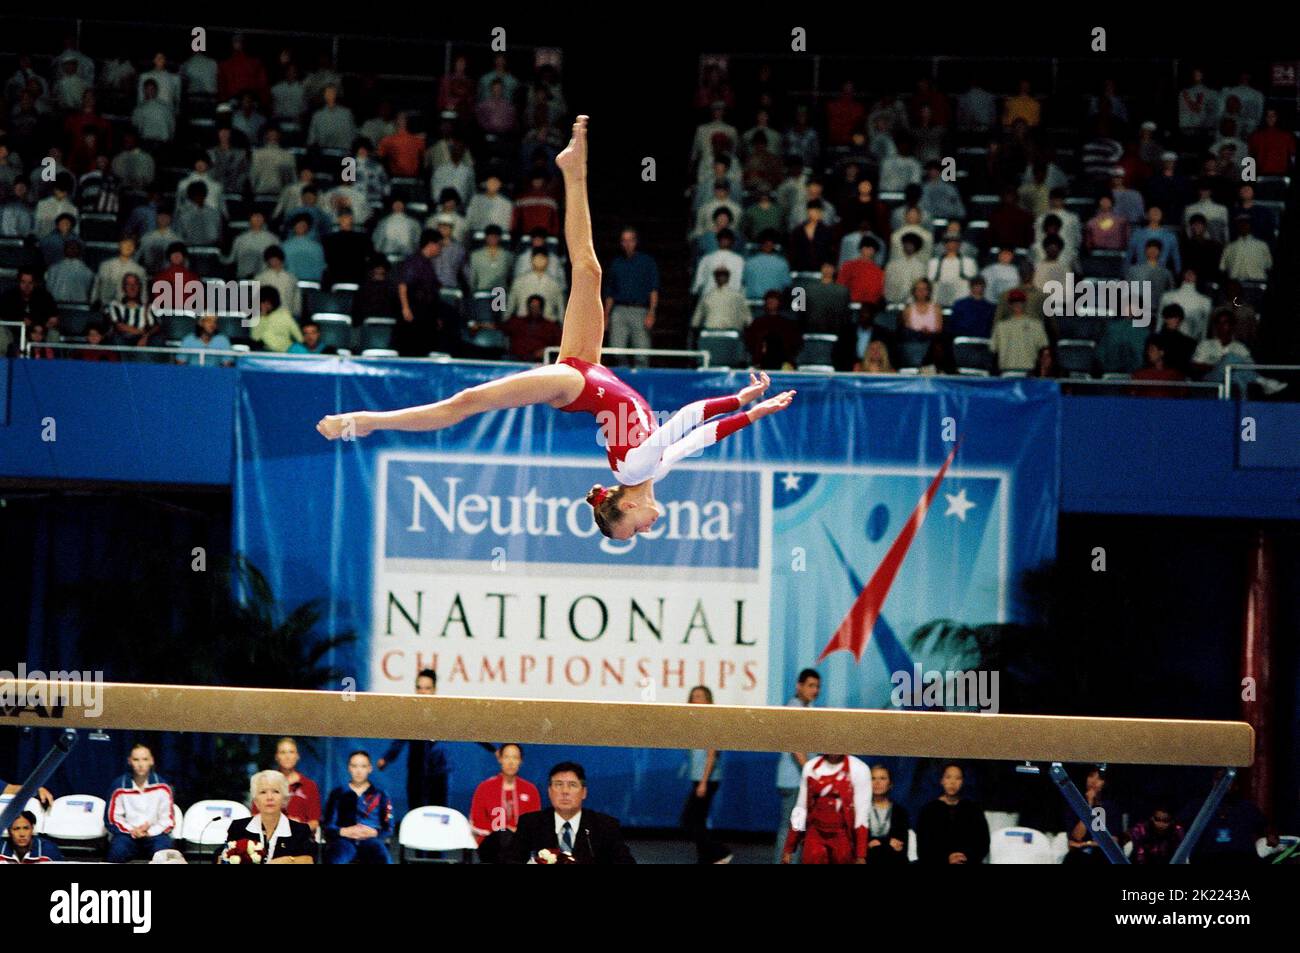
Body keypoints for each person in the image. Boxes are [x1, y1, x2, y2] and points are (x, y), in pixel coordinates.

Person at [318, 117, 795, 541]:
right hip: (587, 371)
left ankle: (361, 422)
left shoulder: (639, 467)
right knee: (588, 269)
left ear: (625, 506)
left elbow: (690, 415)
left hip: (575, 384)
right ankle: (573, 169)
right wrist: (757, 410)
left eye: (631, 531)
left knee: (466, 404)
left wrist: (739, 399)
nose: (647, 530)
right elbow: (704, 437)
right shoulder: (655, 470)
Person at [503, 761, 636, 864]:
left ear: (584, 792)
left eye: (572, 785)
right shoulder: (531, 823)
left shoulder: (605, 826)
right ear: (549, 791)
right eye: (559, 784)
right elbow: (511, 860)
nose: (565, 791)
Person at [374, 669, 450, 811]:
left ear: (434, 689)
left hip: (438, 771)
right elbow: (400, 739)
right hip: (416, 772)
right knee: (416, 810)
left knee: (439, 811)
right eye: (419, 688)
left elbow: (469, 729)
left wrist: (492, 749)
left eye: (427, 688)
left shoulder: (444, 711)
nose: (422, 692)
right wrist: (387, 758)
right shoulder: (410, 713)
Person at [781, 753, 870, 864]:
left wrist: (861, 855)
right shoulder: (810, 767)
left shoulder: (859, 769)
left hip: (843, 837)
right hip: (815, 835)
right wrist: (789, 848)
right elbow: (801, 808)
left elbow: (862, 815)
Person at [680, 686, 732, 864]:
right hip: (698, 778)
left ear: (708, 700)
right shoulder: (695, 723)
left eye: (699, 696)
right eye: (693, 696)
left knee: (688, 820)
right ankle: (705, 858)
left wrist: (703, 782)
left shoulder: (710, 722)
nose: (695, 700)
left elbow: (711, 754)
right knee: (698, 820)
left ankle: (721, 851)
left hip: (707, 780)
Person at [775, 668, 820, 862]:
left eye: (817, 686)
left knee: (796, 827)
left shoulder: (806, 707)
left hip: (799, 779)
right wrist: (810, 772)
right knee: (791, 827)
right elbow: (795, 746)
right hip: (794, 780)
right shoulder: (795, 707)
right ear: (799, 686)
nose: (815, 690)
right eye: (810, 685)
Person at [223, 770, 314, 863]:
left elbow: (308, 860)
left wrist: (288, 860)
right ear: (255, 800)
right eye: (263, 792)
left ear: (284, 798)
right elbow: (223, 856)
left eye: (276, 791)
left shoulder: (300, 831)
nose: (269, 797)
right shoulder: (238, 827)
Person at [105, 743, 176, 863]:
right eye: (136, 759)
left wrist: (149, 832)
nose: (140, 764)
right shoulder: (119, 787)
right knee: (117, 850)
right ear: (129, 761)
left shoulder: (162, 787)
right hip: (127, 835)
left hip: (155, 834)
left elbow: (167, 820)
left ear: (151, 761)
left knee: (164, 852)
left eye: (145, 759)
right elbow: (112, 819)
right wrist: (133, 831)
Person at [470, 743, 542, 857]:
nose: (511, 762)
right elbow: (477, 821)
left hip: (520, 845)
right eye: (507, 757)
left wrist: (516, 832)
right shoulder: (484, 788)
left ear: (521, 761)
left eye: (515, 758)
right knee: (504, 837)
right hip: (490, 844)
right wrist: (502, 831)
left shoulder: (530, 790)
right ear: (500, 759)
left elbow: (534, 822)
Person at [322, 751, 393, 864]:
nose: (359, 771)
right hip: (344, 841)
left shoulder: (380, 794)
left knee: (383, 858)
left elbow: (389, 827)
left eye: (363, 766)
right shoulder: (337, 794)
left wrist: (374, 833)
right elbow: (327, 825)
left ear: (370, 768)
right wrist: (343, 831)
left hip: (371, 840)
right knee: (334, 859)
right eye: (354, 766)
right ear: (349, 768)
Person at [602, 227, 660, 366]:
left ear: (636, 241)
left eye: (630, 240)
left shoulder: (647, 262)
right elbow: (610, 292)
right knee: (616, 350)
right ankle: (622, 381)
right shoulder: (616, 263)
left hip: (640, 310)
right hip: (619, 310)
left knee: (642, 353)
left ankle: (641, 382)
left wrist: (652, 312)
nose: (627, 244)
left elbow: (653, 289)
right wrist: (606, 315)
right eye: (624, 241)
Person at [915, 763, 989, 865]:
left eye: (958, 778)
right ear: (942, 781)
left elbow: (983, 842)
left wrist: (964, 858)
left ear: (963, 782)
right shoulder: (928, 810)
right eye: (948, 777)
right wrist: (946, 859)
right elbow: (923, 847)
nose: (952, 782)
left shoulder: (974, 809)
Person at [251, 737, 322, 833]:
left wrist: (298, 828)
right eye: (283, 752)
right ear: (276, 756)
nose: (287, 756)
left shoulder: (309, 786)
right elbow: (255, 816)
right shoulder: (265, 782)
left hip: (299, 838)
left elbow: (314, 822)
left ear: (297, 756)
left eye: (291, 752)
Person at [1063, 767, 1123, 864]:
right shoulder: (1074, 805)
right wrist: (1089, 805)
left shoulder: (1111, 808)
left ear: (1106, 783)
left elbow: (1112, 841)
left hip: (1103, 856)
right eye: (1091, 776)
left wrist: (1085, 844)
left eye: (1099, 778)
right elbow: (1077, 837)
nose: (1093, 781)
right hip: (1080, 857)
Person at [866, 764, 910, 865]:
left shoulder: (900, 812)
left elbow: (900, 847)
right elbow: (856, 844)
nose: (877, 782)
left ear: (890, 784)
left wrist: (874, 844)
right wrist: (888, 842)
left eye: (882, 778)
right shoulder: (860, 810)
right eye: (873, 778)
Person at [250, 286, 301, 353]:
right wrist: (262, 317)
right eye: (263, 302)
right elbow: (255, 337)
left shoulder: (285, 315)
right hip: (264, 352)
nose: (266, 305)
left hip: (285, 353)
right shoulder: (255, 319)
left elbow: (299, 337)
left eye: (268, 302)